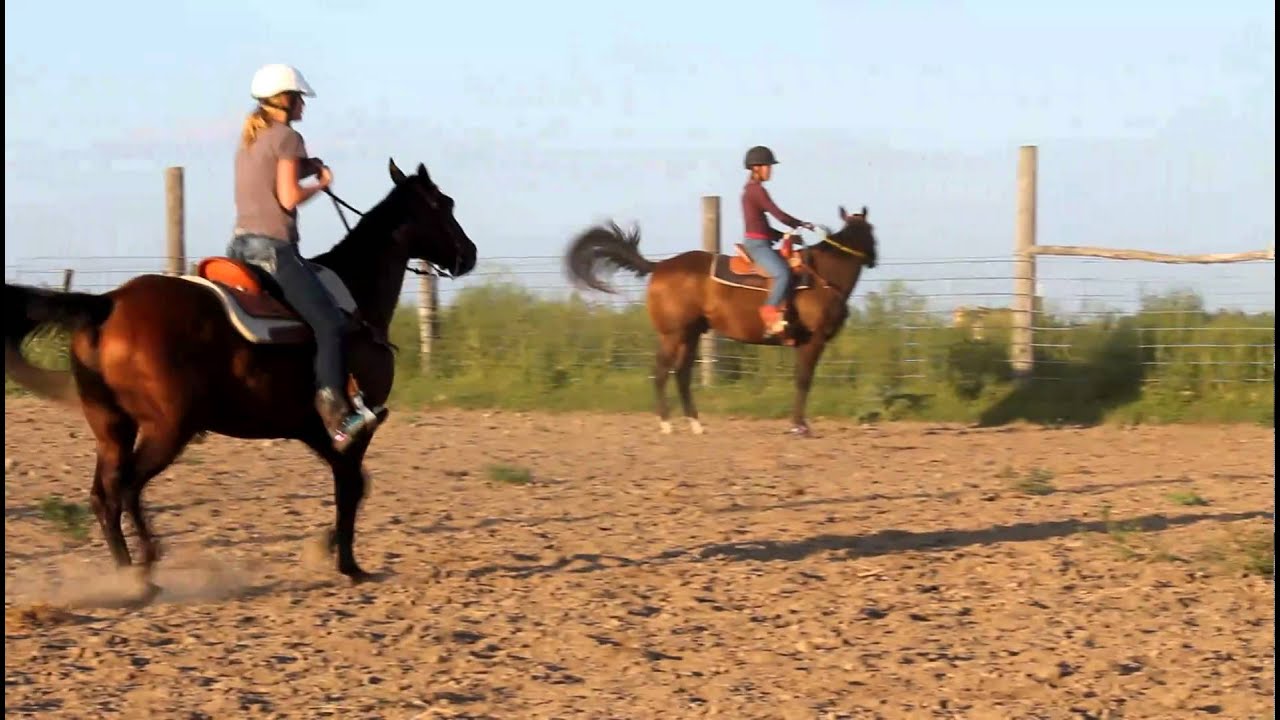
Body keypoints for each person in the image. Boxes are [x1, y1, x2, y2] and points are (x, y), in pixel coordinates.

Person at [227, 63, 379, 452]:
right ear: (283, 100)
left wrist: (305, 166)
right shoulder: (288, 137)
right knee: (330, 324)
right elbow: (288, 197)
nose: (303, 105)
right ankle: (337, 416)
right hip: (273, 251)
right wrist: (320, 184)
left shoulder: (251, 139)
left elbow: (270, 178)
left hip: (239, 248)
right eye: (298, 98)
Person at [740, 145, 813, 337]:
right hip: (757, 246)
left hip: (762, 242)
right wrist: (800, 223)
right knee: (782, 273)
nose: (770, 170)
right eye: (768, 166)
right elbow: (778, 214)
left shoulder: (752, 191)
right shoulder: (756, 191)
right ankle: (769, 311)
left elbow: (761, 225)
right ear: (756, 168)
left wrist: (783, 236)